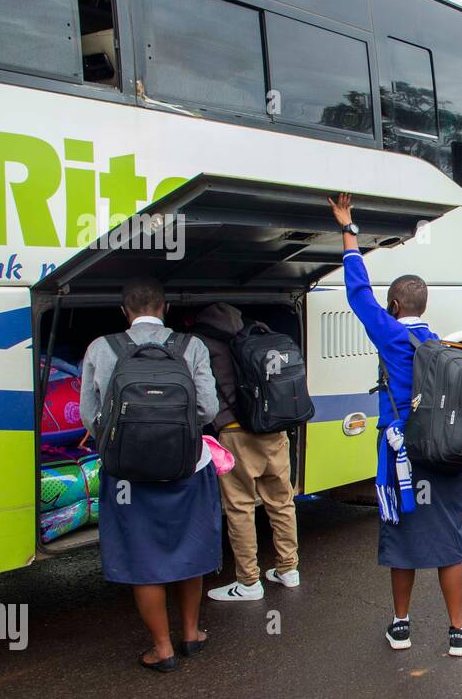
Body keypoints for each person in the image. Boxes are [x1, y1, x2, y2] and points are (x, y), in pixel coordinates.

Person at [330, 193, 462, 657]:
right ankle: (458, 632)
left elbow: (357, 294)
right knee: (448, 539)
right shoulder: (444, 346)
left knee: (400, 532)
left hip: (399, 454)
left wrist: (349, 231)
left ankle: (401, 627)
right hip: (443, 455)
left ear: (396, 303)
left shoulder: (392, 335)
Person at [80, 276, 220, 672]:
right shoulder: (192, 346)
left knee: (144, 560)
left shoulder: (101, 348)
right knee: (189, 550)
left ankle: (163, 649)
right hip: (188, 469)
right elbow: (208, 410)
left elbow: (91, 417)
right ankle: (191, 635)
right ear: (165, 309)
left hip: (128, 475)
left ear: (125, 311)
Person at [192, 303, 301, 602]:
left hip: (235, 432)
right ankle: (288, 569)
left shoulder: (200, 342)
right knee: (282, 501)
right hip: (275, 428)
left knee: (240, 507)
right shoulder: (259, 330)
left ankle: (249, 582)